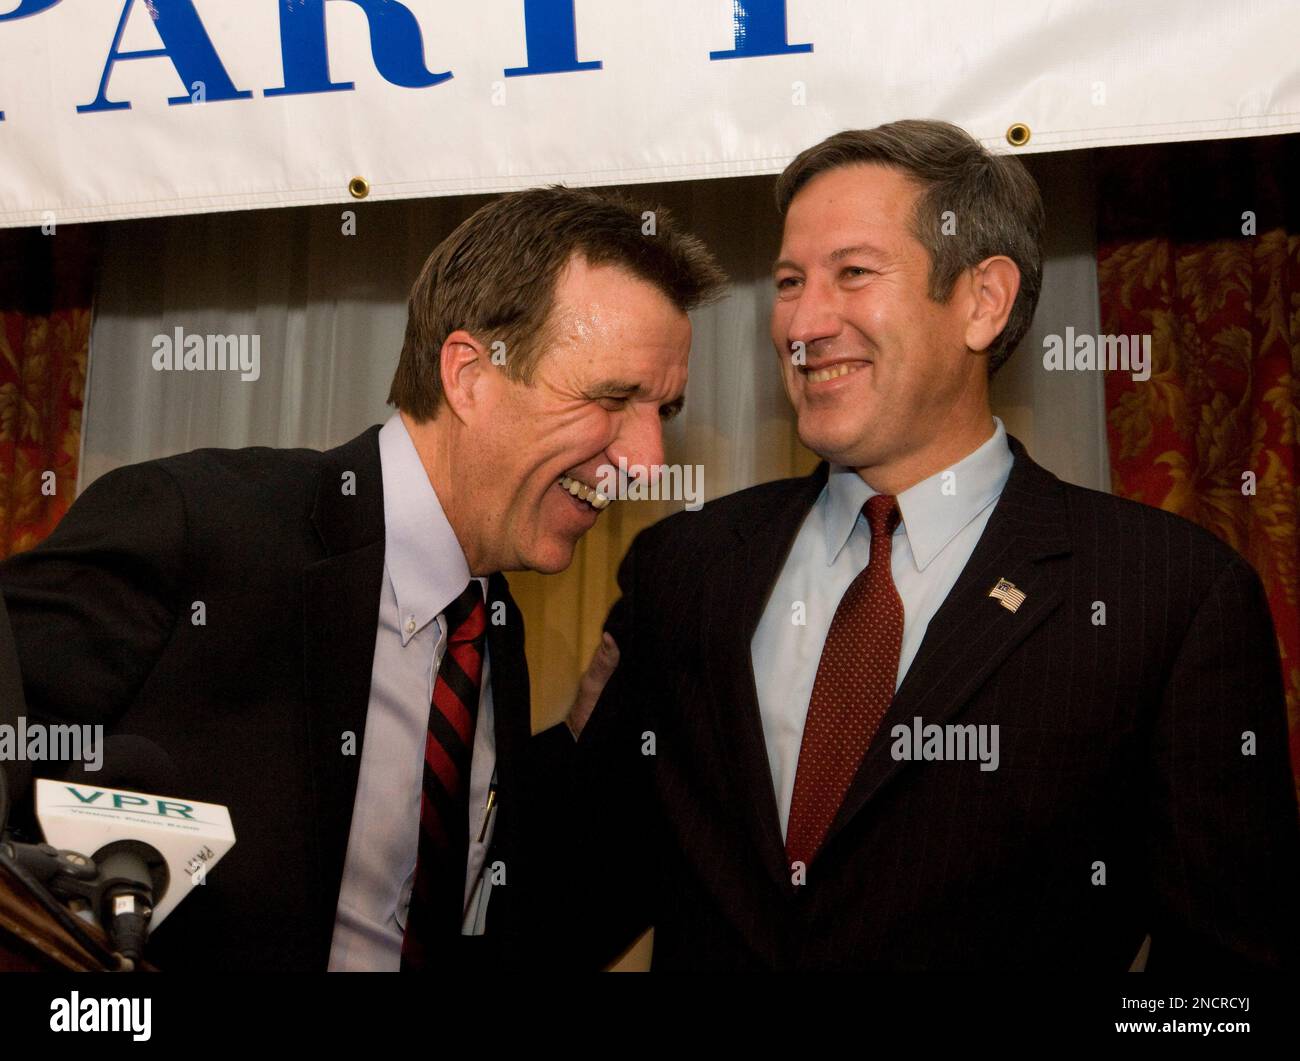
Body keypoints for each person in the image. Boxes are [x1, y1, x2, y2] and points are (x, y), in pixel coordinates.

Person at [565, 120, 1300, 970]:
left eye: (852, 273)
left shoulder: (1169, 597)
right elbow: (573, 899)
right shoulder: (683, 567)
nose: (802, 322)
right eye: (790, 280)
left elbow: (1231, 988)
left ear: (983, 300)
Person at [0, 185, 726, 971]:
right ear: (470, 374)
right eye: (614, 397)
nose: (649, 460)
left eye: (665, 411)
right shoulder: (194, 526)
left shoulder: (491, 630)